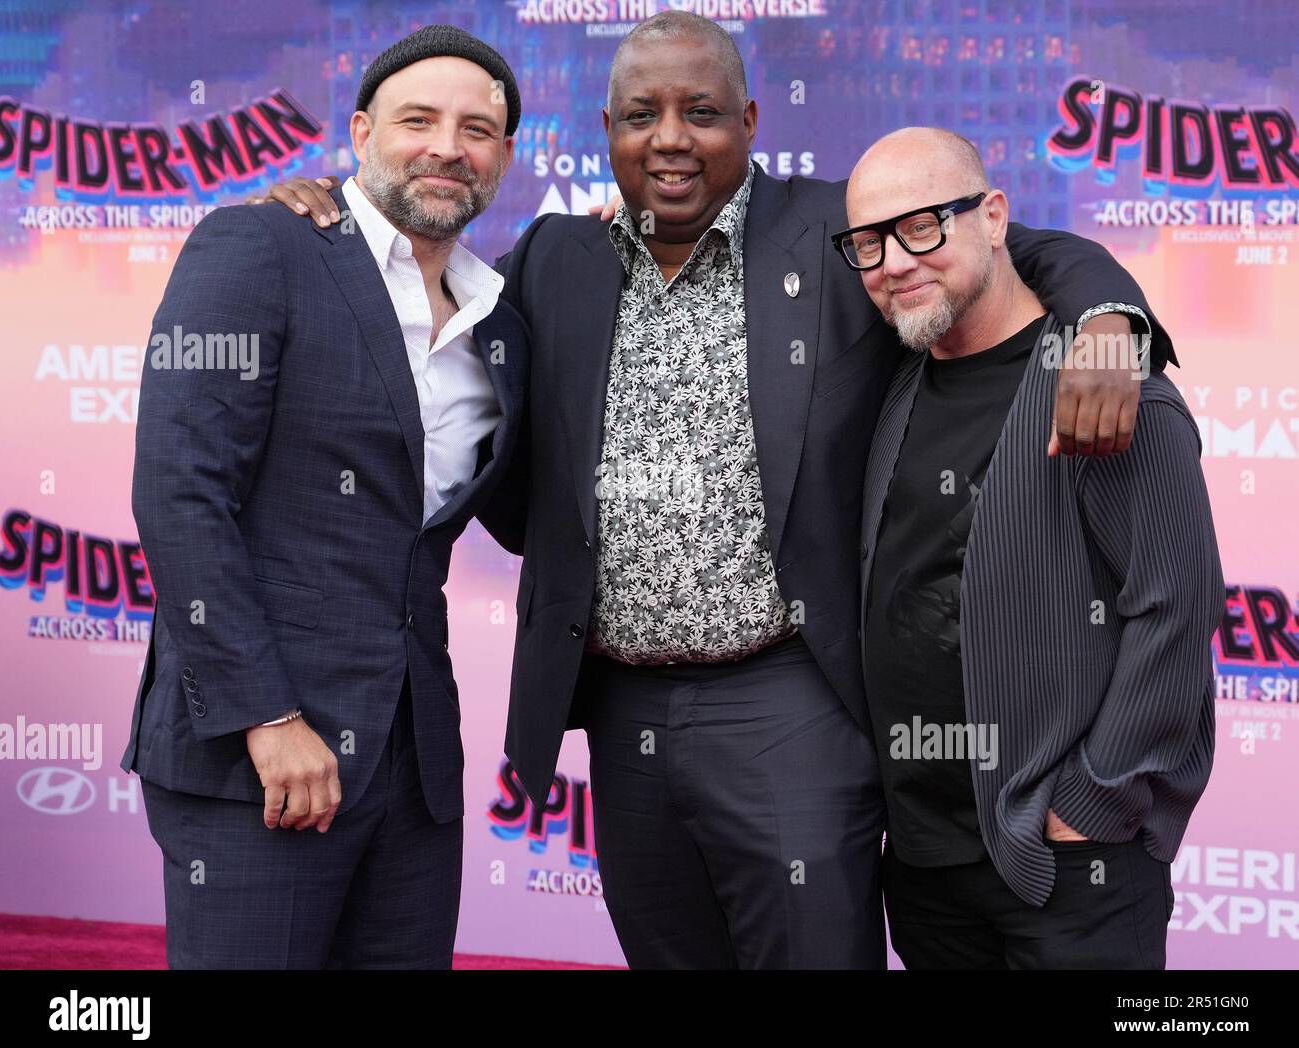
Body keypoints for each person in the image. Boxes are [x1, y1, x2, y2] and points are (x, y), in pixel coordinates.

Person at [260, 11, 1176, 970]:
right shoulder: (555, 260)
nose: (669, 138)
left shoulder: (834, 234)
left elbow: (1012, 248)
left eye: (700, 112)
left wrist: (1110, 320)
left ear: (748, 121)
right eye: (640, 115)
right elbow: (432, 298)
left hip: (791, 696)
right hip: (620, 708)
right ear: (606, 129)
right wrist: (320, 212)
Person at [120, 24, 528, 968]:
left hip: (416, 769)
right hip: (256, 759)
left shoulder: (500, 319)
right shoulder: (261, 246)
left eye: (476, 129)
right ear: (359, 132)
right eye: (416, 119)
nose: (445, 146)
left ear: (503, 157)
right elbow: (179, 493)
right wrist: (265, 716)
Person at [844, 127, 1223, 969]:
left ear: (993, 216)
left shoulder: (1109, 389)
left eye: (921, 226)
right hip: (921, 865)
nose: (894, 261)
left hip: (1067, 866)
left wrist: (1092, 802)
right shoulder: (892, 379)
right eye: (868, 242)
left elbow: (1174, 609)